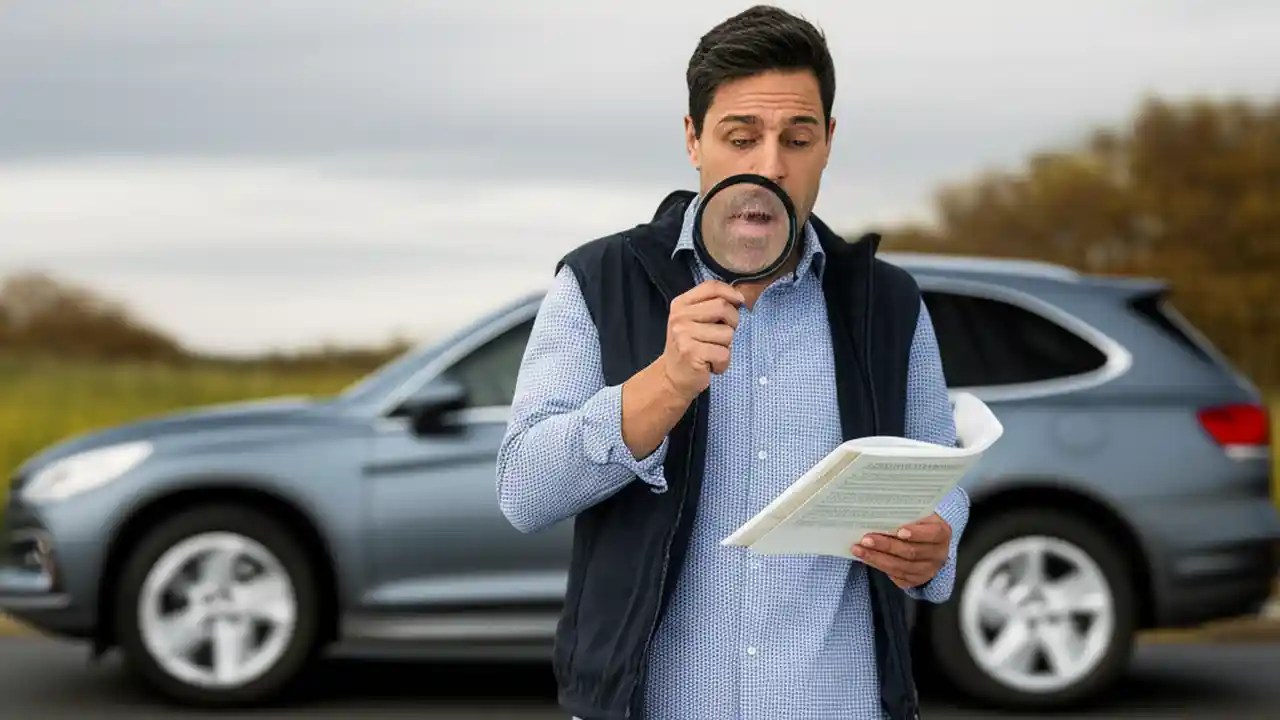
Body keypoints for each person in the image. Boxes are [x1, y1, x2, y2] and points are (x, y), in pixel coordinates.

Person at [496, 6, 967, 719]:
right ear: (693, 139)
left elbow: (938, 467)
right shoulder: (597, 283)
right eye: (741, 137)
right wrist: (662, 385)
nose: (769, 166)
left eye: (798, 138)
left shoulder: (888, 302)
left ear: (829, 143)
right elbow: (524, 491)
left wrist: (938, 542)